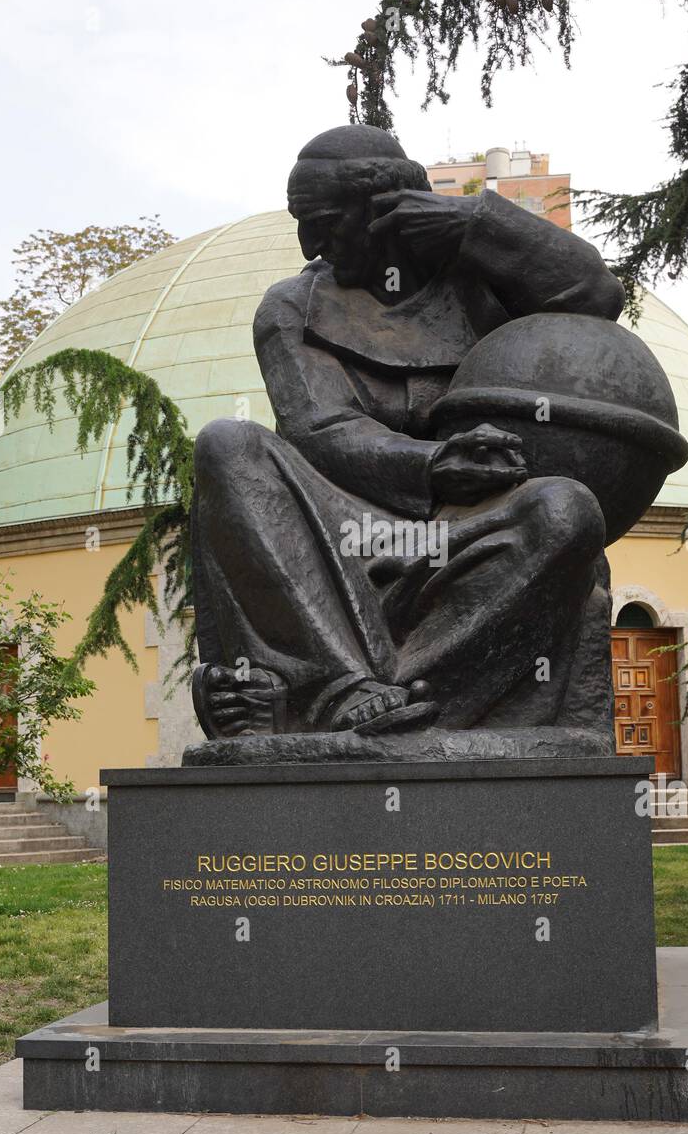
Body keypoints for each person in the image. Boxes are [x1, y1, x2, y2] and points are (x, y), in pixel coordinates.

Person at [190, 124, 624, 740]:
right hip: (340, 528)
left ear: (384, 213)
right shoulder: (292, 306)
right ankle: (342, 689)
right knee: (227, 444)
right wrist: (432, 465)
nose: (309, 241)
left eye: (324, 220)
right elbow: (320, 428)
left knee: (565, 509)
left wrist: (479, 224)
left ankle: (415, 696)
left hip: (471, 526)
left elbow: (595, 295)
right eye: (300, 221)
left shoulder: (484, 280)